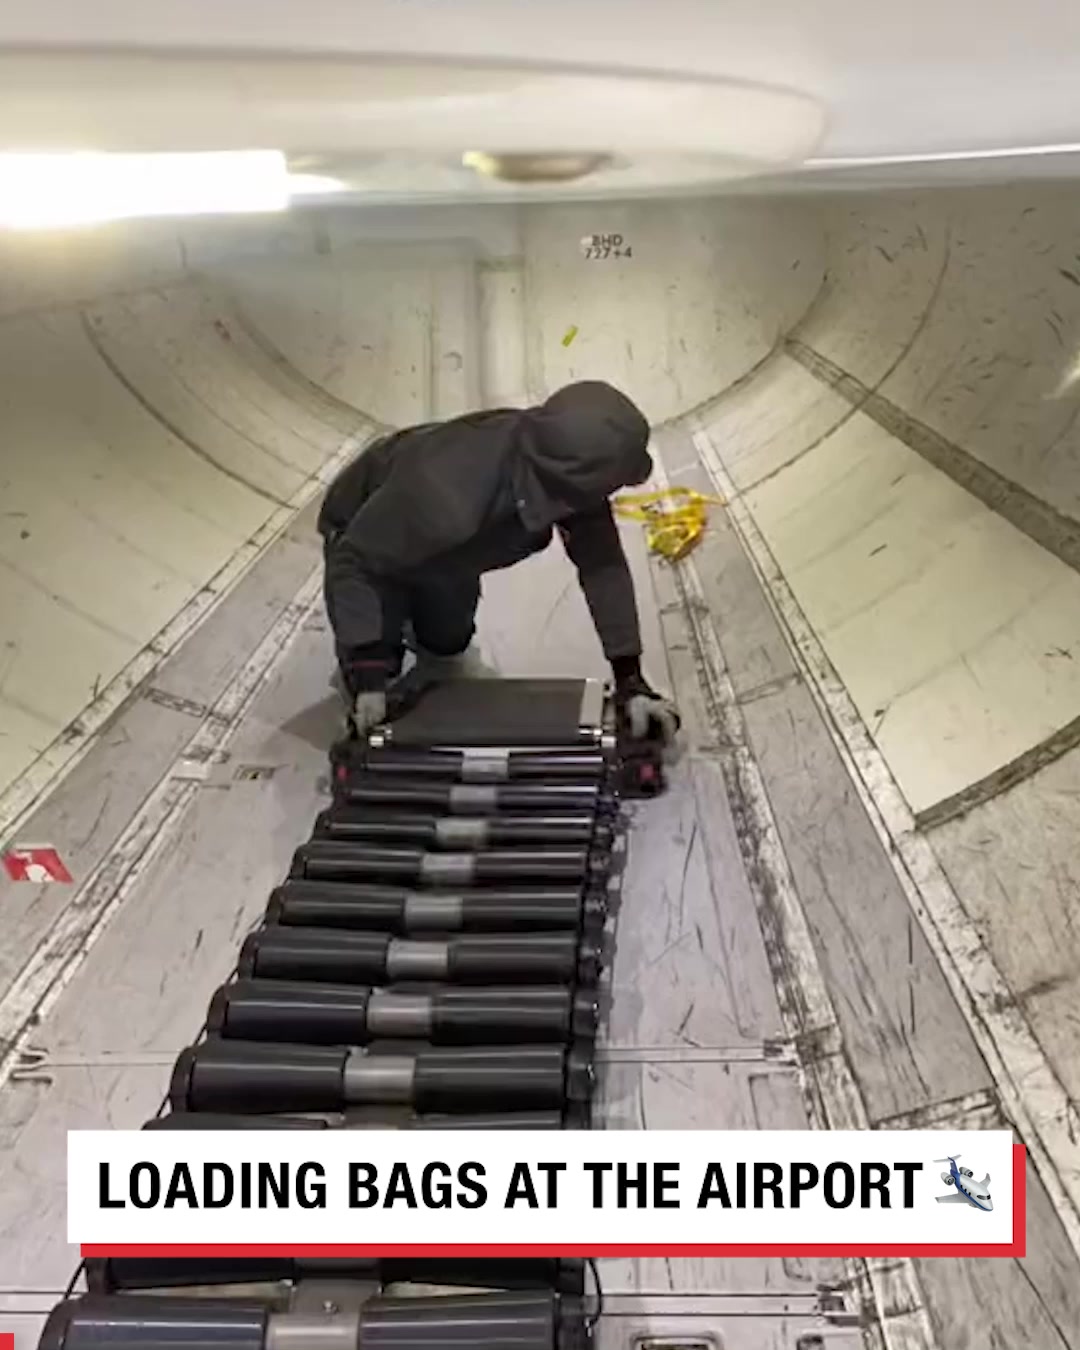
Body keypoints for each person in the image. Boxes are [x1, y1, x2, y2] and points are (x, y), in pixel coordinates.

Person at [318, 379, 679, 743]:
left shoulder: (561, 463)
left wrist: (630, 679)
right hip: (368, 531)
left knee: (447, 644)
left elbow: (603, 567)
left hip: (443, 549)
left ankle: (418, 611)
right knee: (378, 679)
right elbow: (354, 562)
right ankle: (384, 636)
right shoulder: (445, 495)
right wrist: (368, 669)